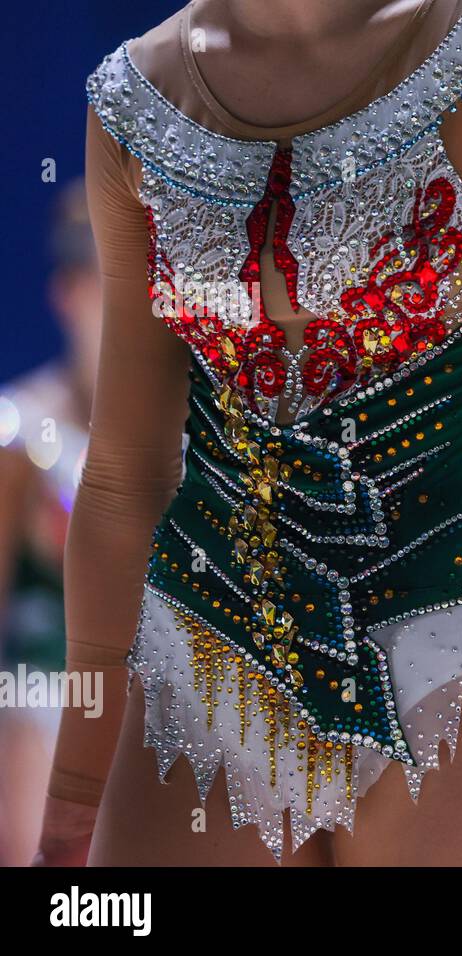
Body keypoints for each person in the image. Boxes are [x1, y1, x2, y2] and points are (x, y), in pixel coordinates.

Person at [36, 0, 462, 866]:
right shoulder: (136, 100)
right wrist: (66, 815)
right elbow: (126, 475)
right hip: (199, 675)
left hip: (461, 672)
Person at [0, 182, 99, 866]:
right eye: (105, 287)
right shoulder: (17, 436)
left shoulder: (214, 439)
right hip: (45, 720)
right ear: (67, 293)